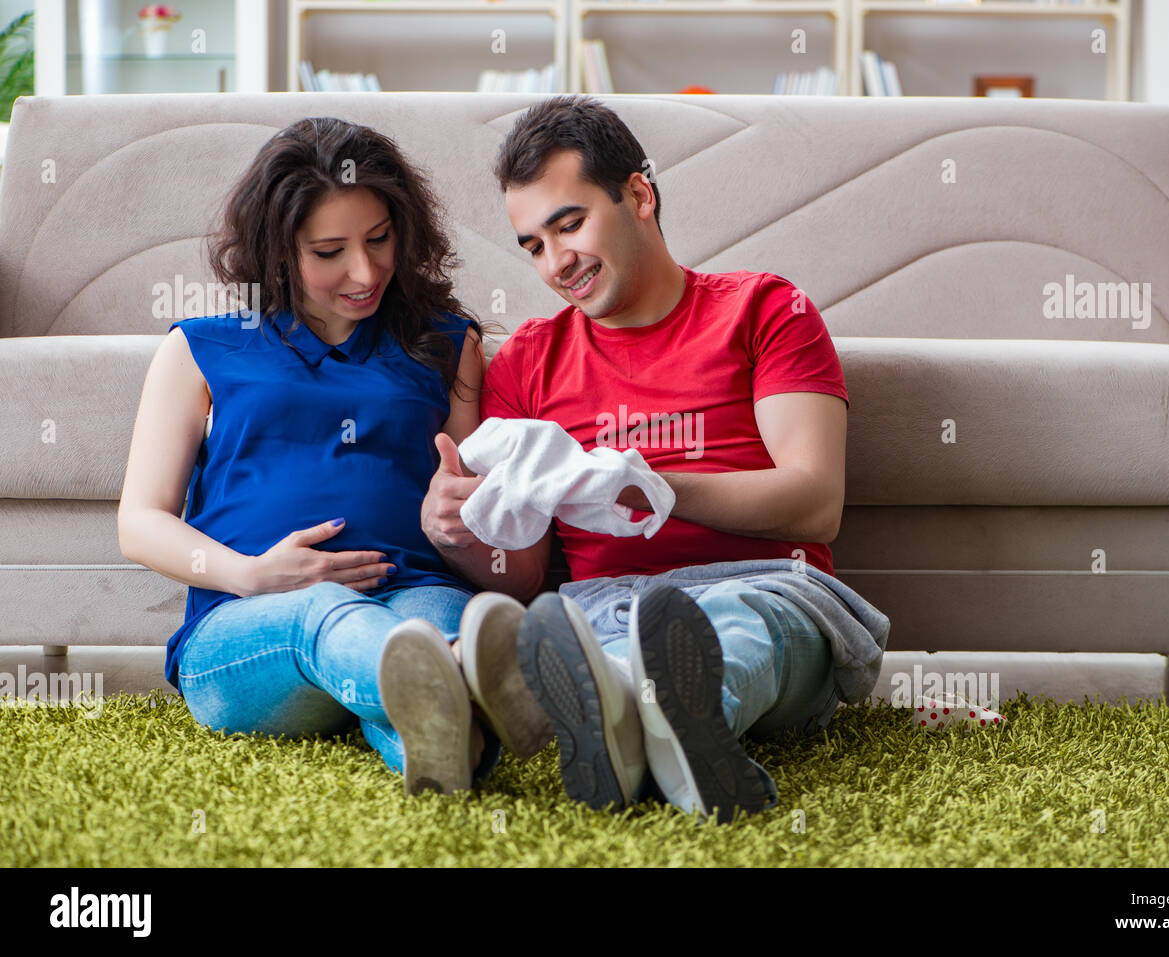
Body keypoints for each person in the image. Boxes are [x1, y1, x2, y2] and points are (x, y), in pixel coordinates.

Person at [424, 95, 889, 823]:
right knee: (565, 625)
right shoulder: (528, 363)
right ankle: (632, 725)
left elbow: (813, 502)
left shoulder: (765, 310)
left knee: (724, 625)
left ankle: (647, 712)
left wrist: (643, 486)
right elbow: (519, 570)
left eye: (569, 224)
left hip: (769, 591)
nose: (557, 263)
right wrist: (463, 529)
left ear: (638, 194)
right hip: (600, 611)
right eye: (533, 245)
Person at [118, 116, 503, 797]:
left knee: (438, 626)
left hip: (416, 595)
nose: (365, 271)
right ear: (275, 250)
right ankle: (457, 685)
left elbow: (473, 506)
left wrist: (470, 519)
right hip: (253, 632)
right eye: (330, 251)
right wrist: (253, 575)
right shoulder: (200, 347)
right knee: (325, 616)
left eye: (380, 239)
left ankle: (443, 743)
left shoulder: (445, 342)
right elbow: (140, 521)